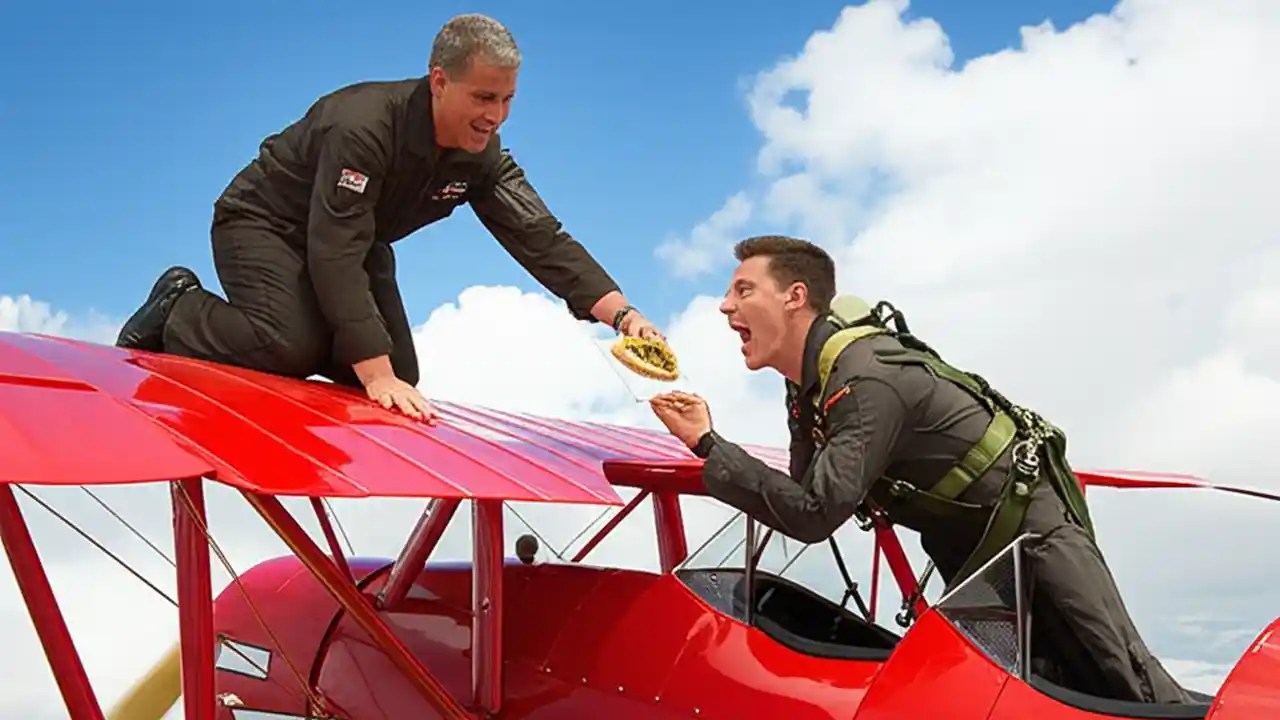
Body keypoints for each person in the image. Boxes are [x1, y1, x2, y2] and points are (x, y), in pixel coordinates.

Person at [648, 234, 1194, 705]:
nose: (724, 306)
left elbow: (814, 516)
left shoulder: (863, 379)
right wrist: (711, 445)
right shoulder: (806, 387)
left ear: (796, 298)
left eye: (743, 290)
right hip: (969, 549)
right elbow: (800, 494)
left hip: (1035, 537)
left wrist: (706, 444)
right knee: (1020, 688)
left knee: (1119, 684)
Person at [115, 13, 662, 422]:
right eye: (483, 97)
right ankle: (178, 310)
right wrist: (371, 371)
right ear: (439, 81)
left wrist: (621, 315)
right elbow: (334, 247)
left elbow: (538, 234)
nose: (495, 116)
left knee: (399, 376)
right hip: (264, 225)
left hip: (353, 244)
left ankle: (308, 336)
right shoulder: (363, 126)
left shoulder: (482, 155)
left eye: (508, 100)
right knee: (295, 347)